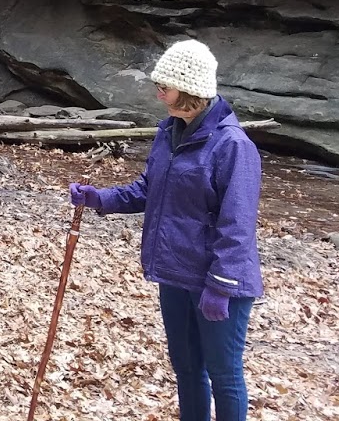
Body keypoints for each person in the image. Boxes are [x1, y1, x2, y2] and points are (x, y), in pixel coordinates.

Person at [68, 39, 262, 421]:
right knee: (187, 369)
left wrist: (221, 286)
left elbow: (238, 225)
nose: (158, 93)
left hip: (217, 282)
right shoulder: (169, 132)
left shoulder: (233, 145)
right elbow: (148, 189)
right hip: (175, 273)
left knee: (224, 375)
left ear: (189, 89)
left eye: (164, 86)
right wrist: (100, 198)